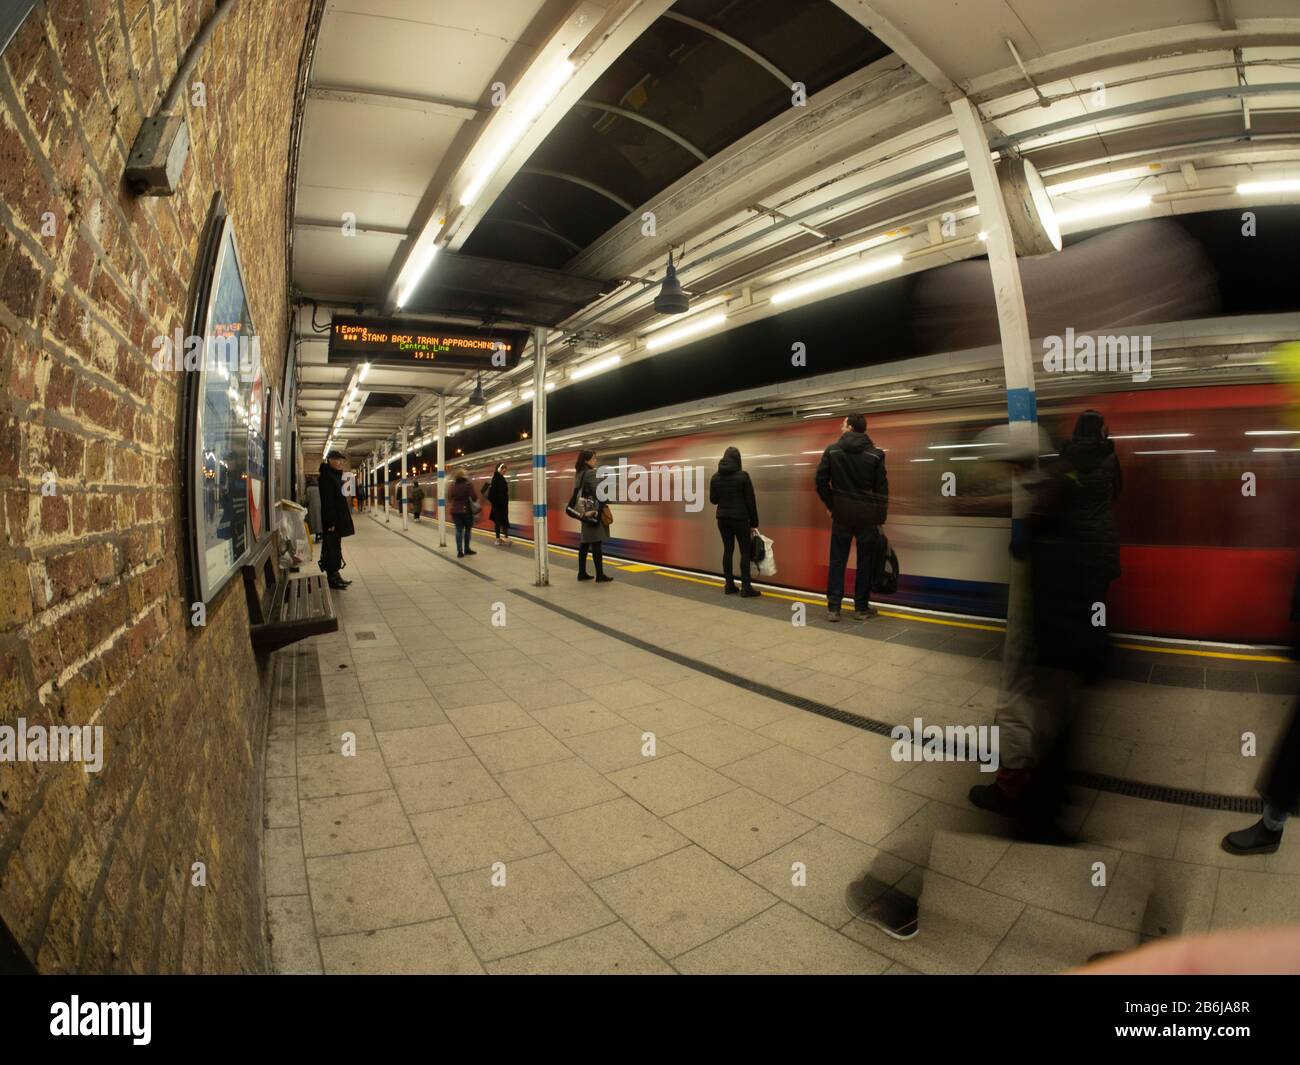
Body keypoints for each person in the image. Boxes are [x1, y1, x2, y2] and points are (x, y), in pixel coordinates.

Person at [814, 413, 888, 622]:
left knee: (837, 560)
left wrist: (832, 505)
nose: (841, 426)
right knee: (865, 561)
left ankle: (834, 608)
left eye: (843, 423)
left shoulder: (833, 451)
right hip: (866, 516)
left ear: (850, 428)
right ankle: (861, 608)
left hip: (842, 514)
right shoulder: (875, 454)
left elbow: (820, 482)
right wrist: (879, 518)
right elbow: (882, 490)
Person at [709, 446, 760, 597]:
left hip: (722, 519)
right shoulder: (743, 476)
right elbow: (751, 501)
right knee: (744, 551)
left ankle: (729, 585)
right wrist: (754, 522)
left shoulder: (715, 477)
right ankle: (746, 587)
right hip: (740, 519)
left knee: (728, 550)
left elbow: (713, 500)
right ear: (738, 460)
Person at [570, 450, 612, 583]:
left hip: (584, 511)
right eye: (594, 458)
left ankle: (582, 572)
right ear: (586, 461)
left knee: (585, 543)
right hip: (593, 512)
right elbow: (598, 492)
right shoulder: (590, 473)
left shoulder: (579, 473)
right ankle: (600, 575)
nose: (596, 461)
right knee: (596, 543)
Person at [317, 450, 353, 590]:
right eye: (337, 460)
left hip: (336, 520)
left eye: (342, 460)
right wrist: (330, 522)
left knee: (335, 547)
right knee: (331, 548)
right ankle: (333, 578)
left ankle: (336, 575)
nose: (340, 463)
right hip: (332, 521)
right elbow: (328, 502)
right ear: (330, 460)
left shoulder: (334, 476)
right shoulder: (327, 477)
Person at [448, 468, 476, 557]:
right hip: (466, 511)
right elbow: (474, 497)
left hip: (455, 511)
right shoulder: (468, 484)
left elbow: (450, 497)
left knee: (458, 530)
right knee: (467, 530)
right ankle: (467, 549)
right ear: (464, 476)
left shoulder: (453, 485)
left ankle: (459, 551)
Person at [485, 463, 510, 544]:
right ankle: (498, 539)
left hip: (502, 505)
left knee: (503, 521)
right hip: (498, 505)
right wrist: (498, 503)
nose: (504, 472)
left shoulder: (501, 478)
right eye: (503, 470)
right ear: (499, 469)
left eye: (505, 470)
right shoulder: (496, 479)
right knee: (498, 522)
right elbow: (495, 493)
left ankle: (505, 537)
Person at [305, 474, 322, 543]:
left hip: (311, 508)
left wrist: (303, 504)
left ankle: (314, 535)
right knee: (319, 522)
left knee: (313, 522)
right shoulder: (320, 488)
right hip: (320, 507)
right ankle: (319, 535)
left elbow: (307, 500)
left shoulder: (308, 489)